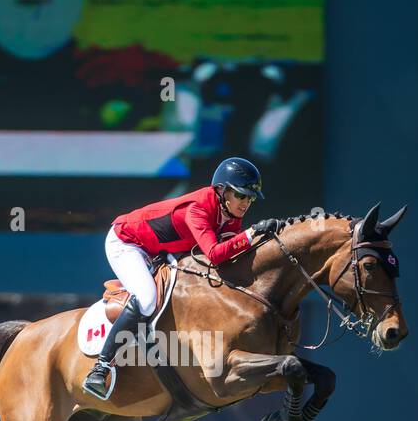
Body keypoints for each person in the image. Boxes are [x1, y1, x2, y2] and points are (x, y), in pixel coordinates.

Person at [82, 157, 279, 400]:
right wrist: (251, 234)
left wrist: (260, 240)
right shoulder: (198, 208)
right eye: (241, 195)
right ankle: (100, 368)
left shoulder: (229, 211)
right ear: (222, 191)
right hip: (127, 242)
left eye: (249, 198)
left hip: (164, 249)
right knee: (147, 299)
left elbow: (232, 252)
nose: (246, 203)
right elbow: (216, 254)